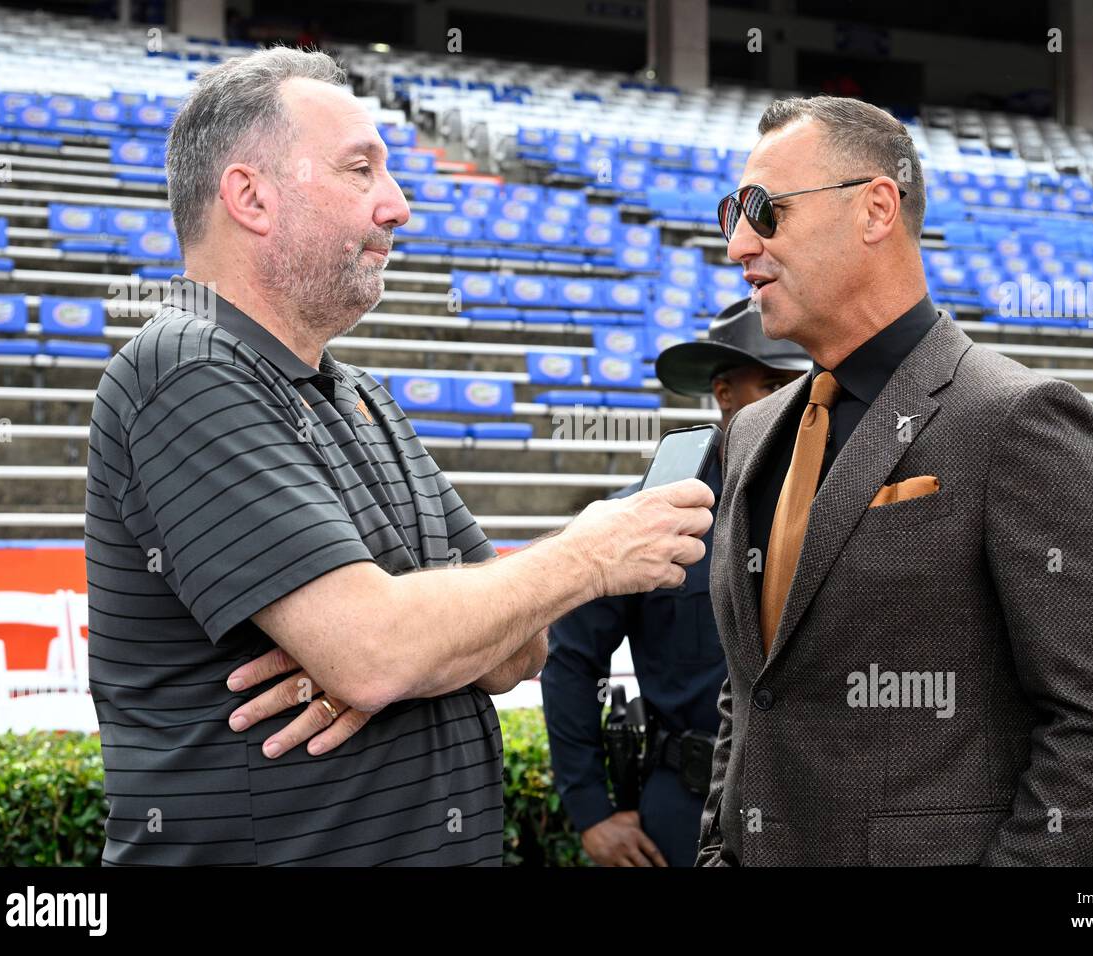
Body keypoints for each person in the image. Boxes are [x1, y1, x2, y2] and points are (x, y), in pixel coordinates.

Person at [84, 47, 712, 866]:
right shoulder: (184, 371)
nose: (399, 206)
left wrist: (390, 645)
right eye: (361, 170)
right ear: (250, 196)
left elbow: (518, 654)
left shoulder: (361, 396)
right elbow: (379, 652)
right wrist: (582, 559)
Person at [697, 95, 1093, 866]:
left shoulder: (1017, 419)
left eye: (764, 210)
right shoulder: (749, 433)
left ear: (876, 208)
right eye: (730, 214)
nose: (739, 243)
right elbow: (752, 692)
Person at [542, 297, 809, 867]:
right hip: (683, 810)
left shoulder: (841, 506)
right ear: (723, 393)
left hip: (816, 809)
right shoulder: (645, 520)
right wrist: (590, 809)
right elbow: (571, 658)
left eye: (802, 384)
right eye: (770, 384)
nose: (790, 402)